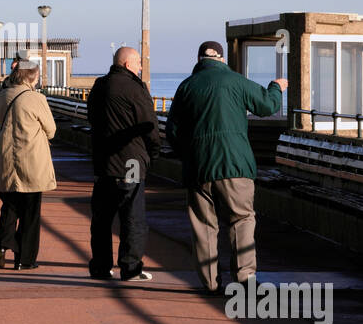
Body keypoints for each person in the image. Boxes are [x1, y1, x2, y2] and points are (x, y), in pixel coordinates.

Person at [165, 40, 287, 293]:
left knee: (204, 225)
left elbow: (172, 132)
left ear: (199, 60)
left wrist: (190, 156)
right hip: (235, 165)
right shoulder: (235, 81)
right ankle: (244, 278)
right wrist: (276, 87)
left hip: (198, 168)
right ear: (220, 58)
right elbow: (267, 106)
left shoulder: (186, 87)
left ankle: (210, 283)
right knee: (241, 219)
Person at [86, 47, 161, 282]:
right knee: (133, 216)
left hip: (104, 161)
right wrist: (154, 153)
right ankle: (130, 267)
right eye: (139, 62)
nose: (141, 67)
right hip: (131, 160)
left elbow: (92, 117)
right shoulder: (136, 89)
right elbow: (150, 126)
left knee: (102, 218)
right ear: (128, 64)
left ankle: (100, 266)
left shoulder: (100, 85)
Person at [0, 60, 56, 270]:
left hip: (7, 157)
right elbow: (52, 129)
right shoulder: (36, 98)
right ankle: (25, 259)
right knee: (30, 212)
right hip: (31, 159)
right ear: (32, 77)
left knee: (10, 206)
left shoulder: (3, 96)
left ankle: (2, 246)